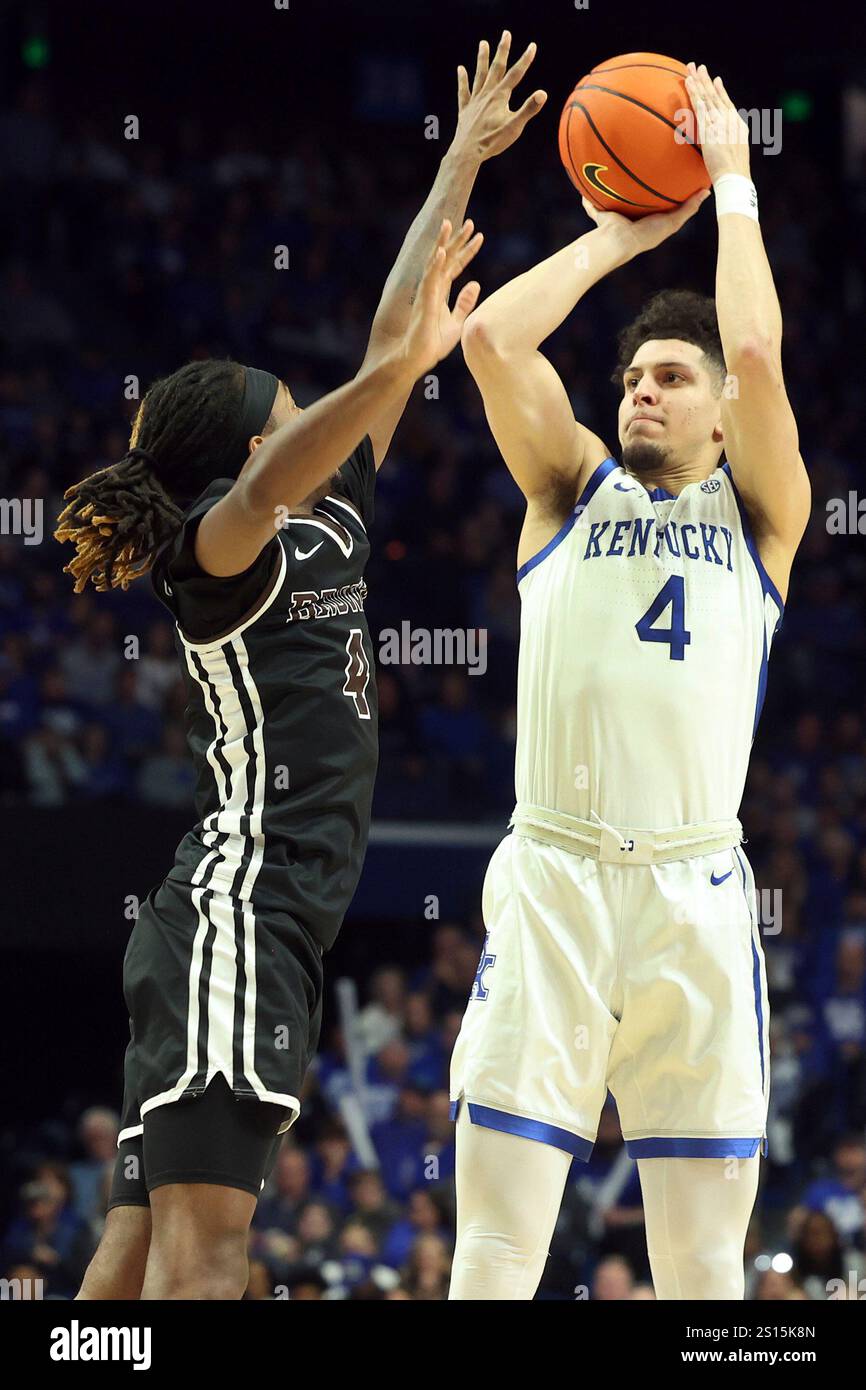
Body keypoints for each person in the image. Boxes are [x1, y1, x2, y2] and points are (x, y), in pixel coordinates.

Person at [57, 31, 546, 1302]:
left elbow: (388, 332)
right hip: (240, 915)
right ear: (243, 450)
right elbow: (294, 454)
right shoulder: (221, 546)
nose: (313, 418)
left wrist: (455, 169)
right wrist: (399, 368)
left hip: (239, 924)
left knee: (131, 1255)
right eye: (289, 410)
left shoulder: (329, 512)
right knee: (204, 1260)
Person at [449, 62, 811, 1299]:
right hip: (551, 872)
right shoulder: (568, 488)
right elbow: (491, 335)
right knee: (494, 1249)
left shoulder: (760, 512)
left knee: (702, 1266)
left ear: (718, 418)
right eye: (632, 377)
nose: (641, 391)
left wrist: (730, 190)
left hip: (693, 889)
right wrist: (612, 235)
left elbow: (754, 349)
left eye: (670, 378)